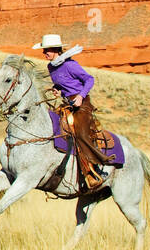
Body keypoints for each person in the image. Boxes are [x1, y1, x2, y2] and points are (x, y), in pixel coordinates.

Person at [33, 33, 107, 190]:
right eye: (44, 50)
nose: (45, 53)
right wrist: (57, 89)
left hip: (82, 104)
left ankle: (94, 169)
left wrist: (81, 96)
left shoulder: (70, 65)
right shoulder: (51, 67)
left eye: (48, 50)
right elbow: (63, 82)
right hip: (67, 103)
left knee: (80, 133)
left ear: (56, 49)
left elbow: (89, 79)